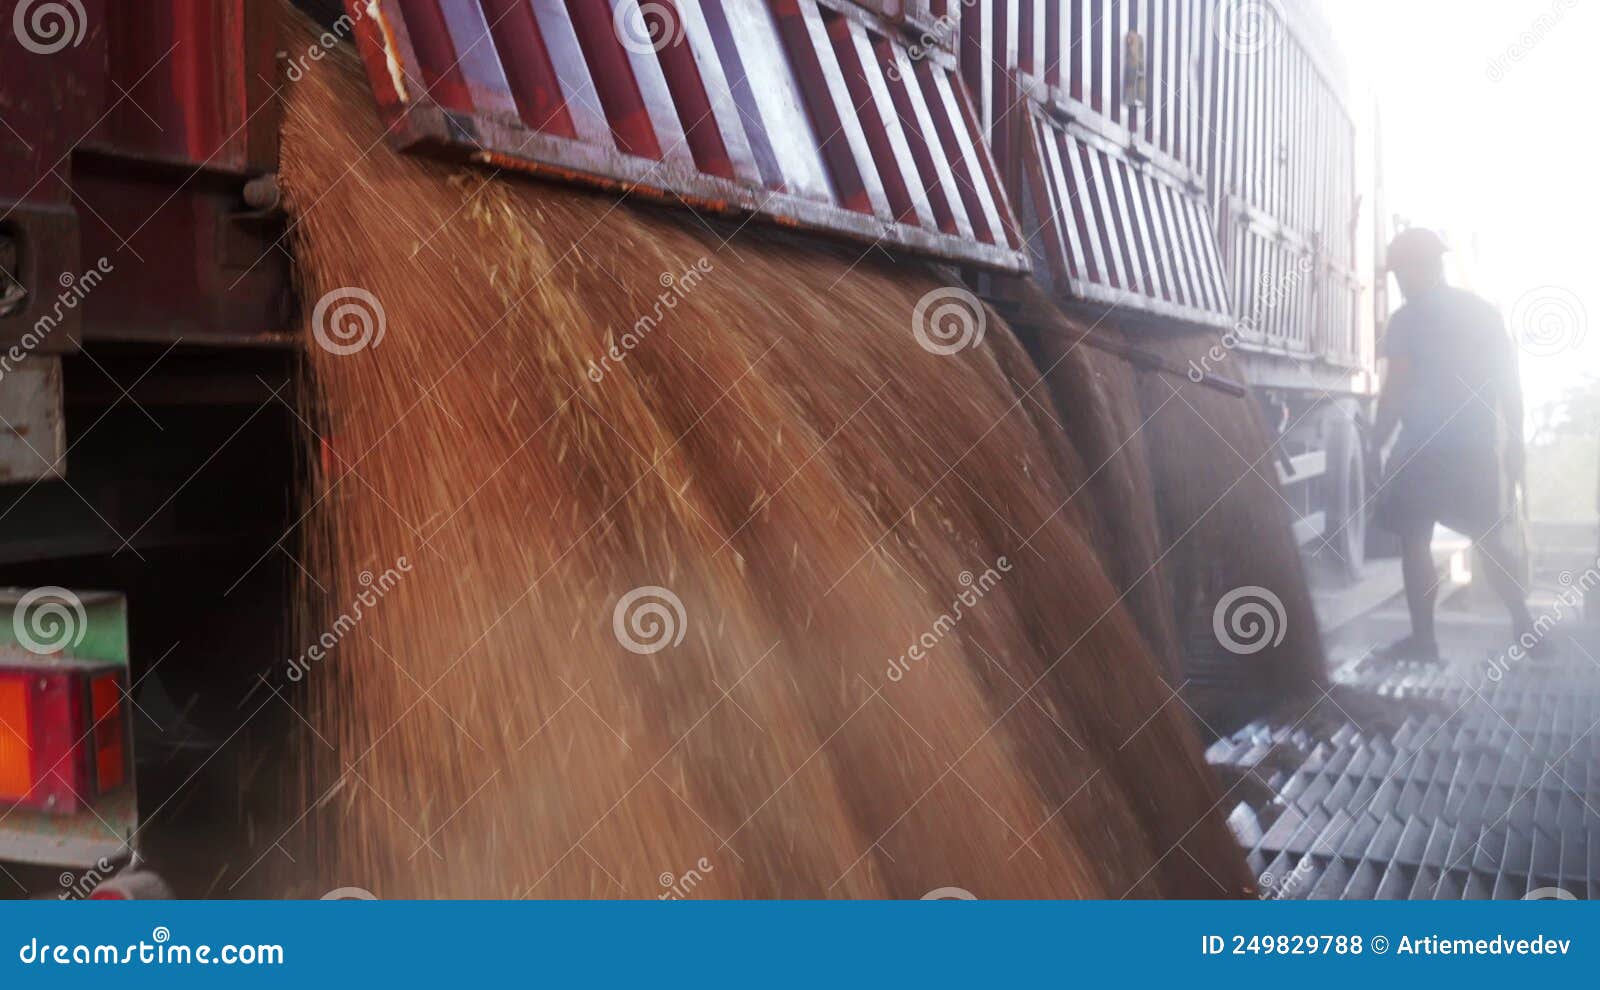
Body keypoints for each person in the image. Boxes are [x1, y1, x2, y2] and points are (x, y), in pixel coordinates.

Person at [1370, 227, 1535, 661]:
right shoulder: (1482, 312)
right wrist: (1514, 443)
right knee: (1488, 537)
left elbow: (1397, 391)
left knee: (1414, 539)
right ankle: (1525, 626)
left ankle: (1424, 643)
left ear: (1420, 266)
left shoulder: (1406, 321)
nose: (1400, 283)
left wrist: (1376, 441)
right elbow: (1509, 385)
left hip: (1423, 451)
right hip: (1475, 447)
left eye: (1402, 273)